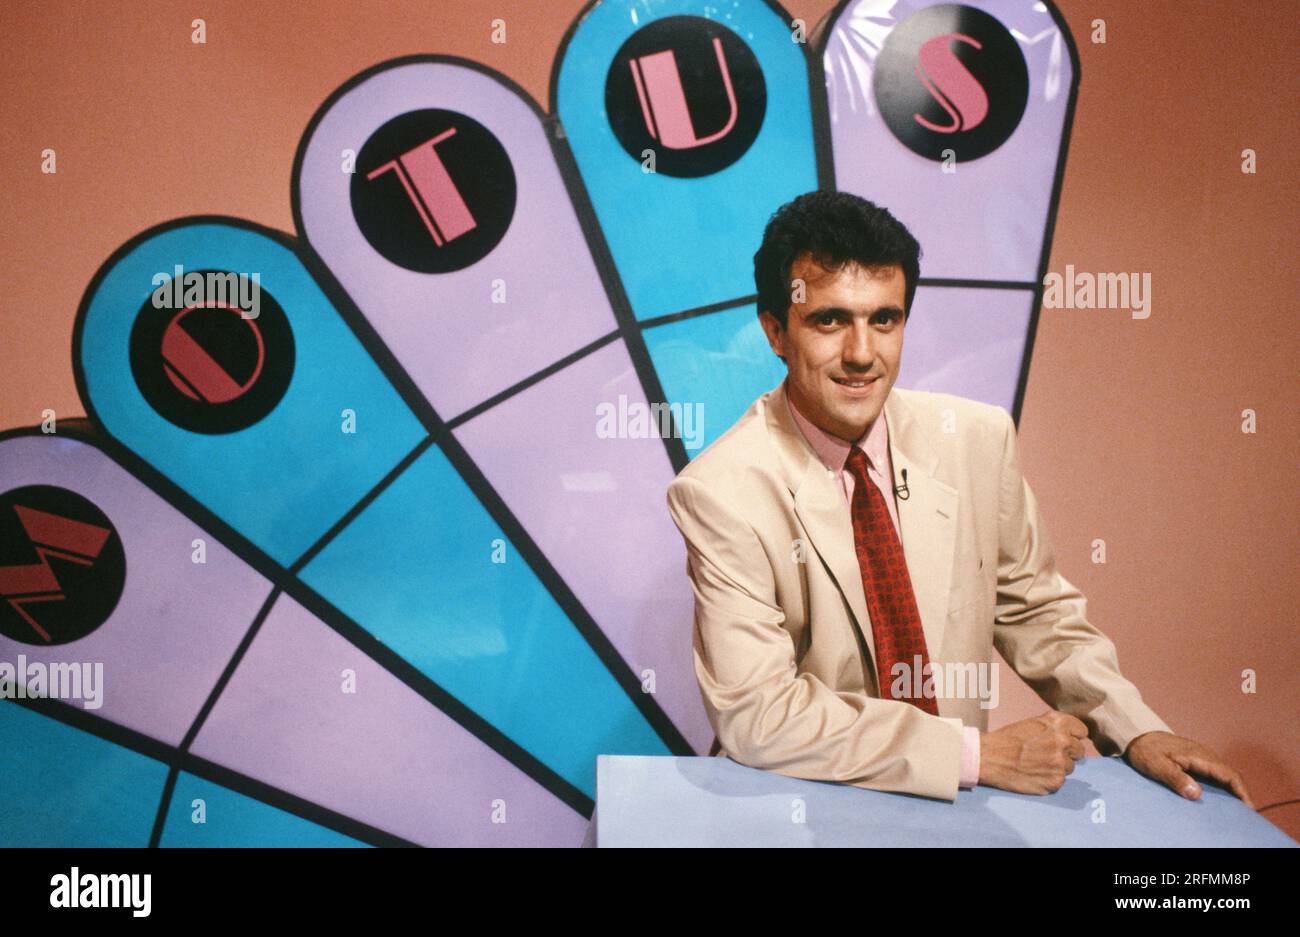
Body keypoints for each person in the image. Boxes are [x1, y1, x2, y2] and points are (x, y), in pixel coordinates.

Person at [665, 190, 1253, 805]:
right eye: (830, 320)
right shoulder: (720, 491)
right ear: (776, 332)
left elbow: (1035, 613)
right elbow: (761, 714)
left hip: (960, 818)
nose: (862, 354)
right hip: (807, 810)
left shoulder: (977, 439)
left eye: (884, 320)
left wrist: (1137, 730)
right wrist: (972, 753)